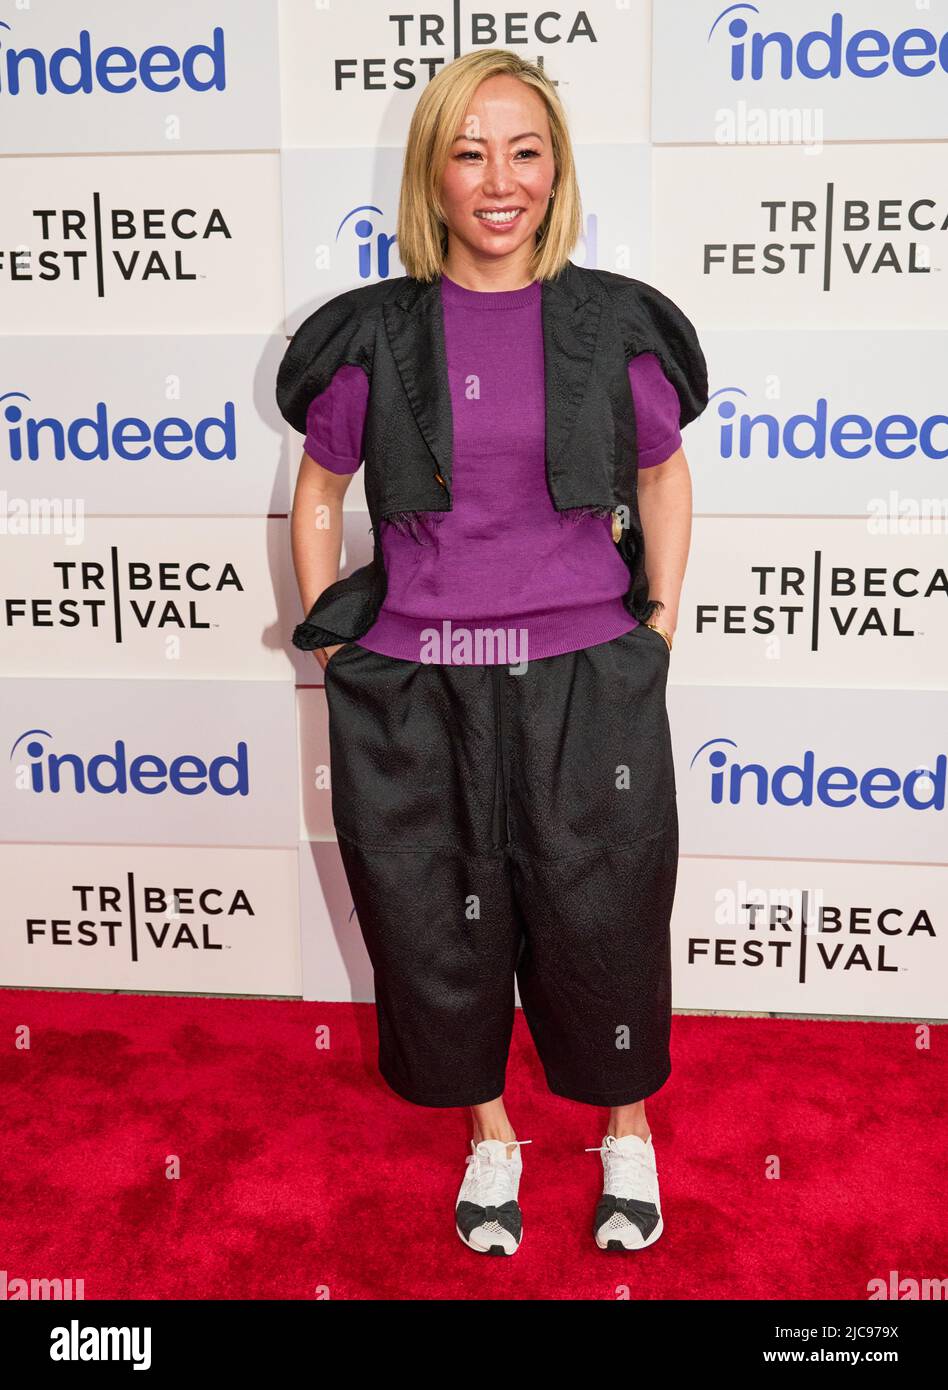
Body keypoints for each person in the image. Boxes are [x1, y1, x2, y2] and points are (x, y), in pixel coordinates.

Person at [278, 48, 709, 1256]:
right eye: (468, 152)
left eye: (524, 149)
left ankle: (626, 1130)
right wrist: (335, 645)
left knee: (605, 913)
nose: (498, 179)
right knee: (436, 923)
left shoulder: (612, 321)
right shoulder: (373, 334)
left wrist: (658, 623)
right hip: (420, 688)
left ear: (557, 167)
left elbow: (665, 475)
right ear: (434, 175)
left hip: (589, 685)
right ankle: (492, 1140)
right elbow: (320, 493)